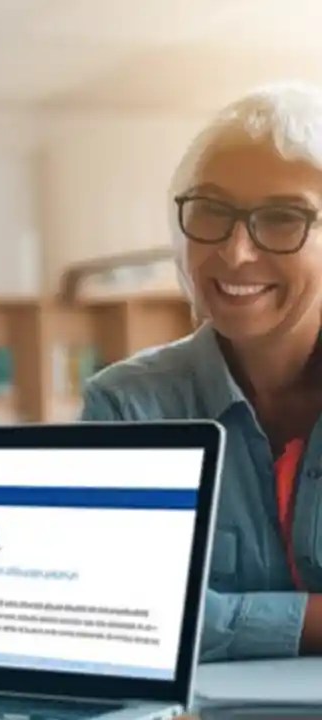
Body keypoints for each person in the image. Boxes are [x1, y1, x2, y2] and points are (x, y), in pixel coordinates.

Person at [80, 82, 322, 662]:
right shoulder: (127, 404)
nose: (237, 252)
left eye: (283, 218)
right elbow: (116, 612)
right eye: (212, 211)